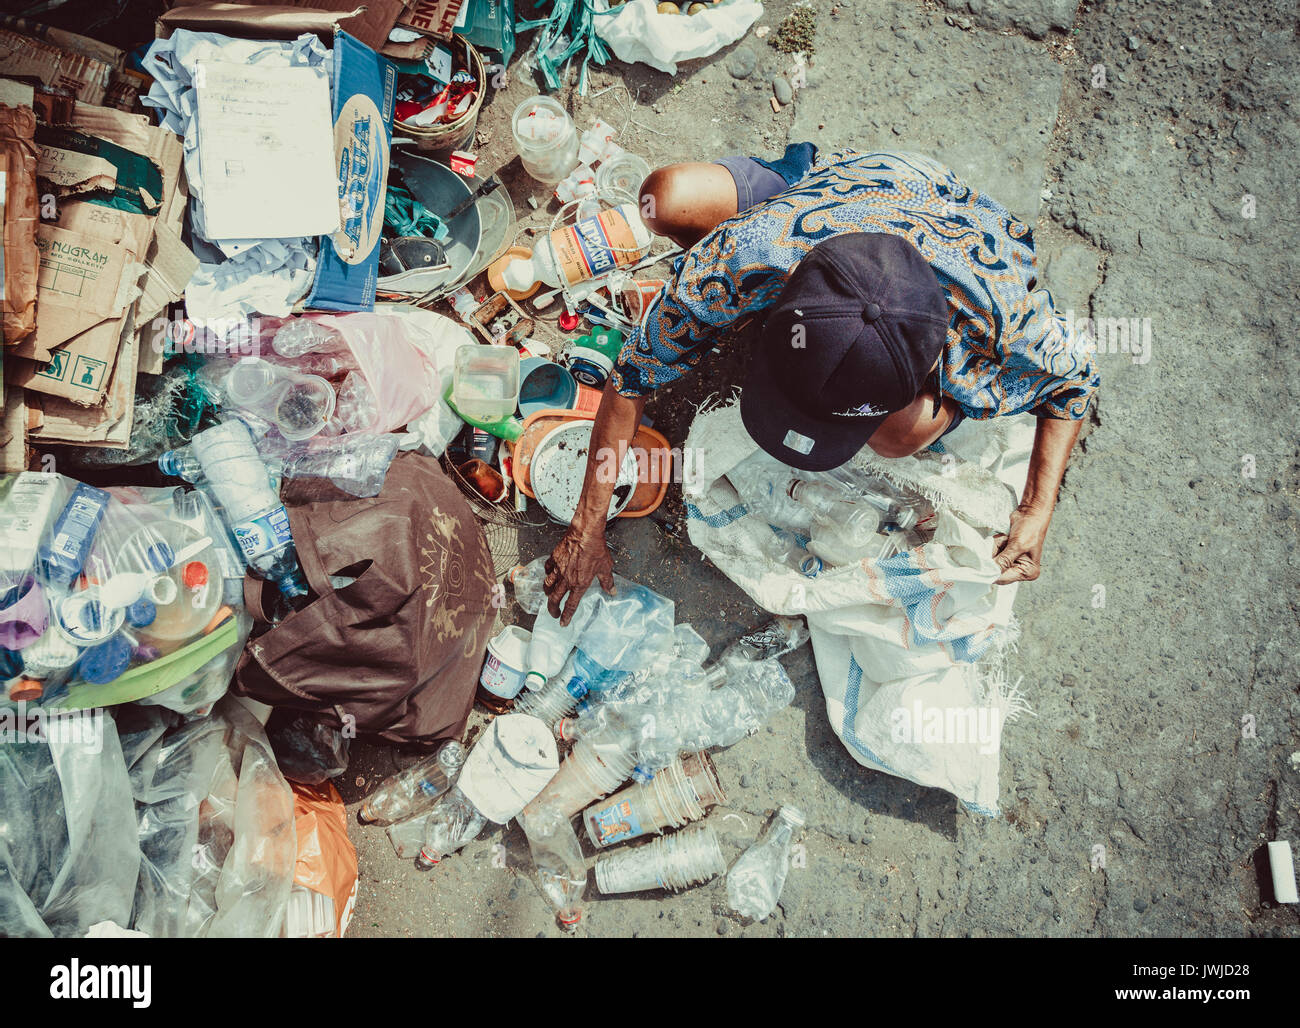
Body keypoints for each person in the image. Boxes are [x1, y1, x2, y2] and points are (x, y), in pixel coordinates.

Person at [543, 146, 1099, 623]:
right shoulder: (748, 254)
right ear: (781, 303)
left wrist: (1035, 511)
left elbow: (1074, 385)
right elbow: (632, 376)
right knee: (665, 198)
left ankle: (893, 402)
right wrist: (587, 525)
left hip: (956, 224)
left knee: (902, 434)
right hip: (870, 182)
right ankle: (786, 175)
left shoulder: (1000, 325)